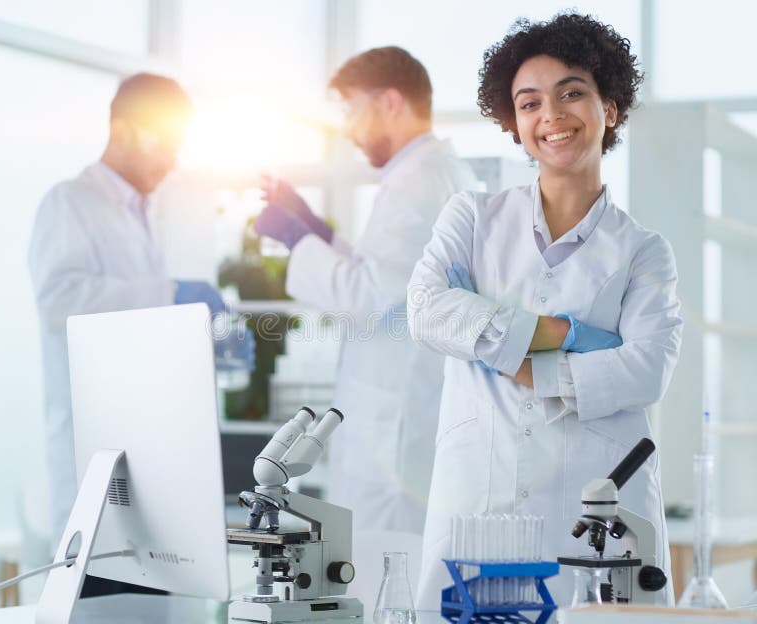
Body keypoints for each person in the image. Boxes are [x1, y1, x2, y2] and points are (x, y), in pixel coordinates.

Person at [407, 14, 683, 607]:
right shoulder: (471, 217)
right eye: (529, 103)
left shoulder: (644, 252)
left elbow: (648, 370)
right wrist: (567, 335)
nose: (551, 117)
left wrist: (489, 336)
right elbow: (427, 311)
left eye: (572, 94)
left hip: (597, 508)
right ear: (514, 122)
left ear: (609, 108)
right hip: (480, 500)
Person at [253, 47, 477, 533]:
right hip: (393, 415)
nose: (349, 129)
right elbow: (385, 277)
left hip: (394, 429)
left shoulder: (419, 181)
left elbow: (368, 299)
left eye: (352, 110)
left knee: (382, 576)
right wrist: (313, 226)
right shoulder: (424, 173)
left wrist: (297, 238)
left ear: (390, 103)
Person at [29, 73, 254, 552]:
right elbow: (60, 304)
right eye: (164, 142)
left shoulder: (142, 213)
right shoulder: (69, 202)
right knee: (96, 593)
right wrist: (169, 290)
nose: (173, 159)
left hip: (146, 452)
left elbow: (136, 329)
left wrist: (202, 347)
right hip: (91, 453)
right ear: (123, 129)